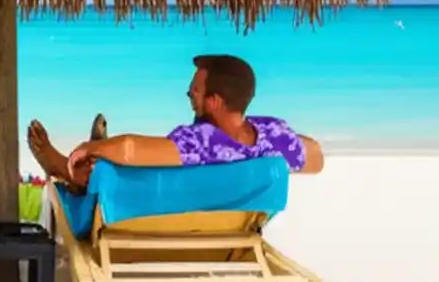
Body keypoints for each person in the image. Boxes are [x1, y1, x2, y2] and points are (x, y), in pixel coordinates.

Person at [27, 54, 325, 191]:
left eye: (195, 90)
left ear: (215, 101)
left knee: (113, 167)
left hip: (168, 213)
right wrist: (274, 138)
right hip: (236, 223)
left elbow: (131, 149)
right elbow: (316, 157)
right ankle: (93, 160)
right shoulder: (273, 135)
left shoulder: (202, 143)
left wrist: (88, 147)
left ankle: (68, 169)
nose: (188, 94)